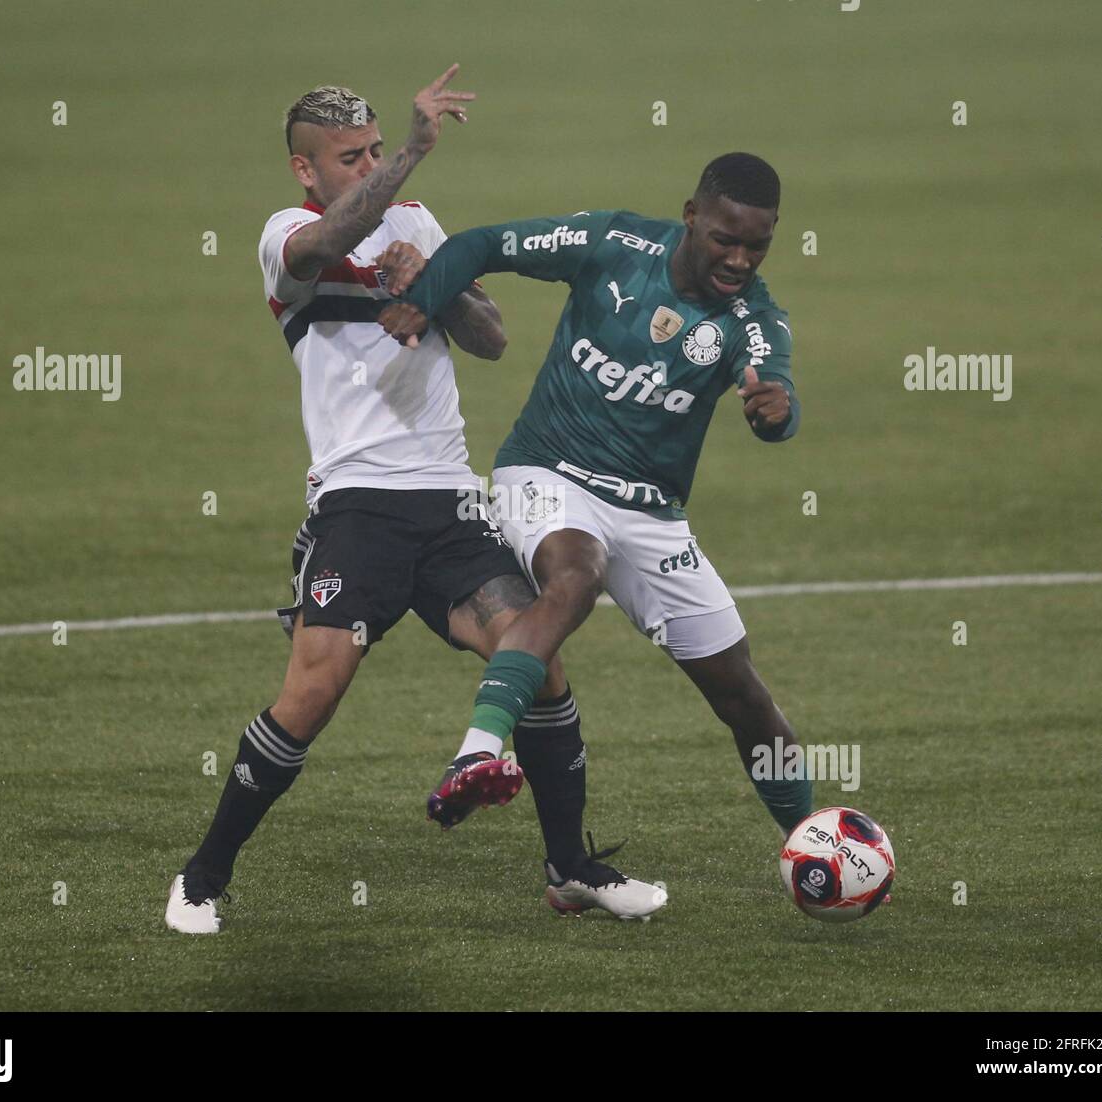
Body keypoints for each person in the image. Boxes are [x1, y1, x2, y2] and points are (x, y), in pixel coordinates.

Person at [166, 69, 665, 934]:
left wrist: (437, 282)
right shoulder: (286, 234)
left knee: (536, 656)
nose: (366, 170)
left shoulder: (416, 222)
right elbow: (328, 243)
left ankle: (571, 868)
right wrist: (410, 153)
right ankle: (202, 879)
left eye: (372, 153)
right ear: (304, 169)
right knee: (314, 690)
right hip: (357, 504)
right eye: (349, 158)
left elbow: (494, 338)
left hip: (450, 501)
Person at [379, 153, 814, 846]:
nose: (738, 259)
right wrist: (424, 297)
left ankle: (813, 838)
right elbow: (483, 245)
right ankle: (477, 752)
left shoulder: (752, 320)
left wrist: (774, 413)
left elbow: (777, 401)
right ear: (691, 215)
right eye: (724, 239)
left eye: (756, 245)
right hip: (546, 472)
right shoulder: (613, 243)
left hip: (651, 514)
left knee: (743, 695)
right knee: (575, 576)